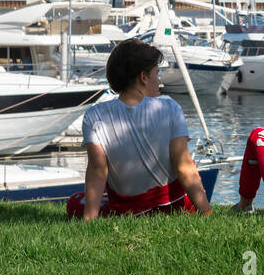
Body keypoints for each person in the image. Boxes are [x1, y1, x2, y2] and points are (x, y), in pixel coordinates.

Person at [67, 38, 213, 220]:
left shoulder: (94, 115)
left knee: (75, 201)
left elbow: (98, 170)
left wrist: (89, 219)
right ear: (143, 77)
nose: (159, 81)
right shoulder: (169, 107)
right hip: (174, 207)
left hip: (127, 212)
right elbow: (183, 167)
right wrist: (207, 213)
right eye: (156, 74)